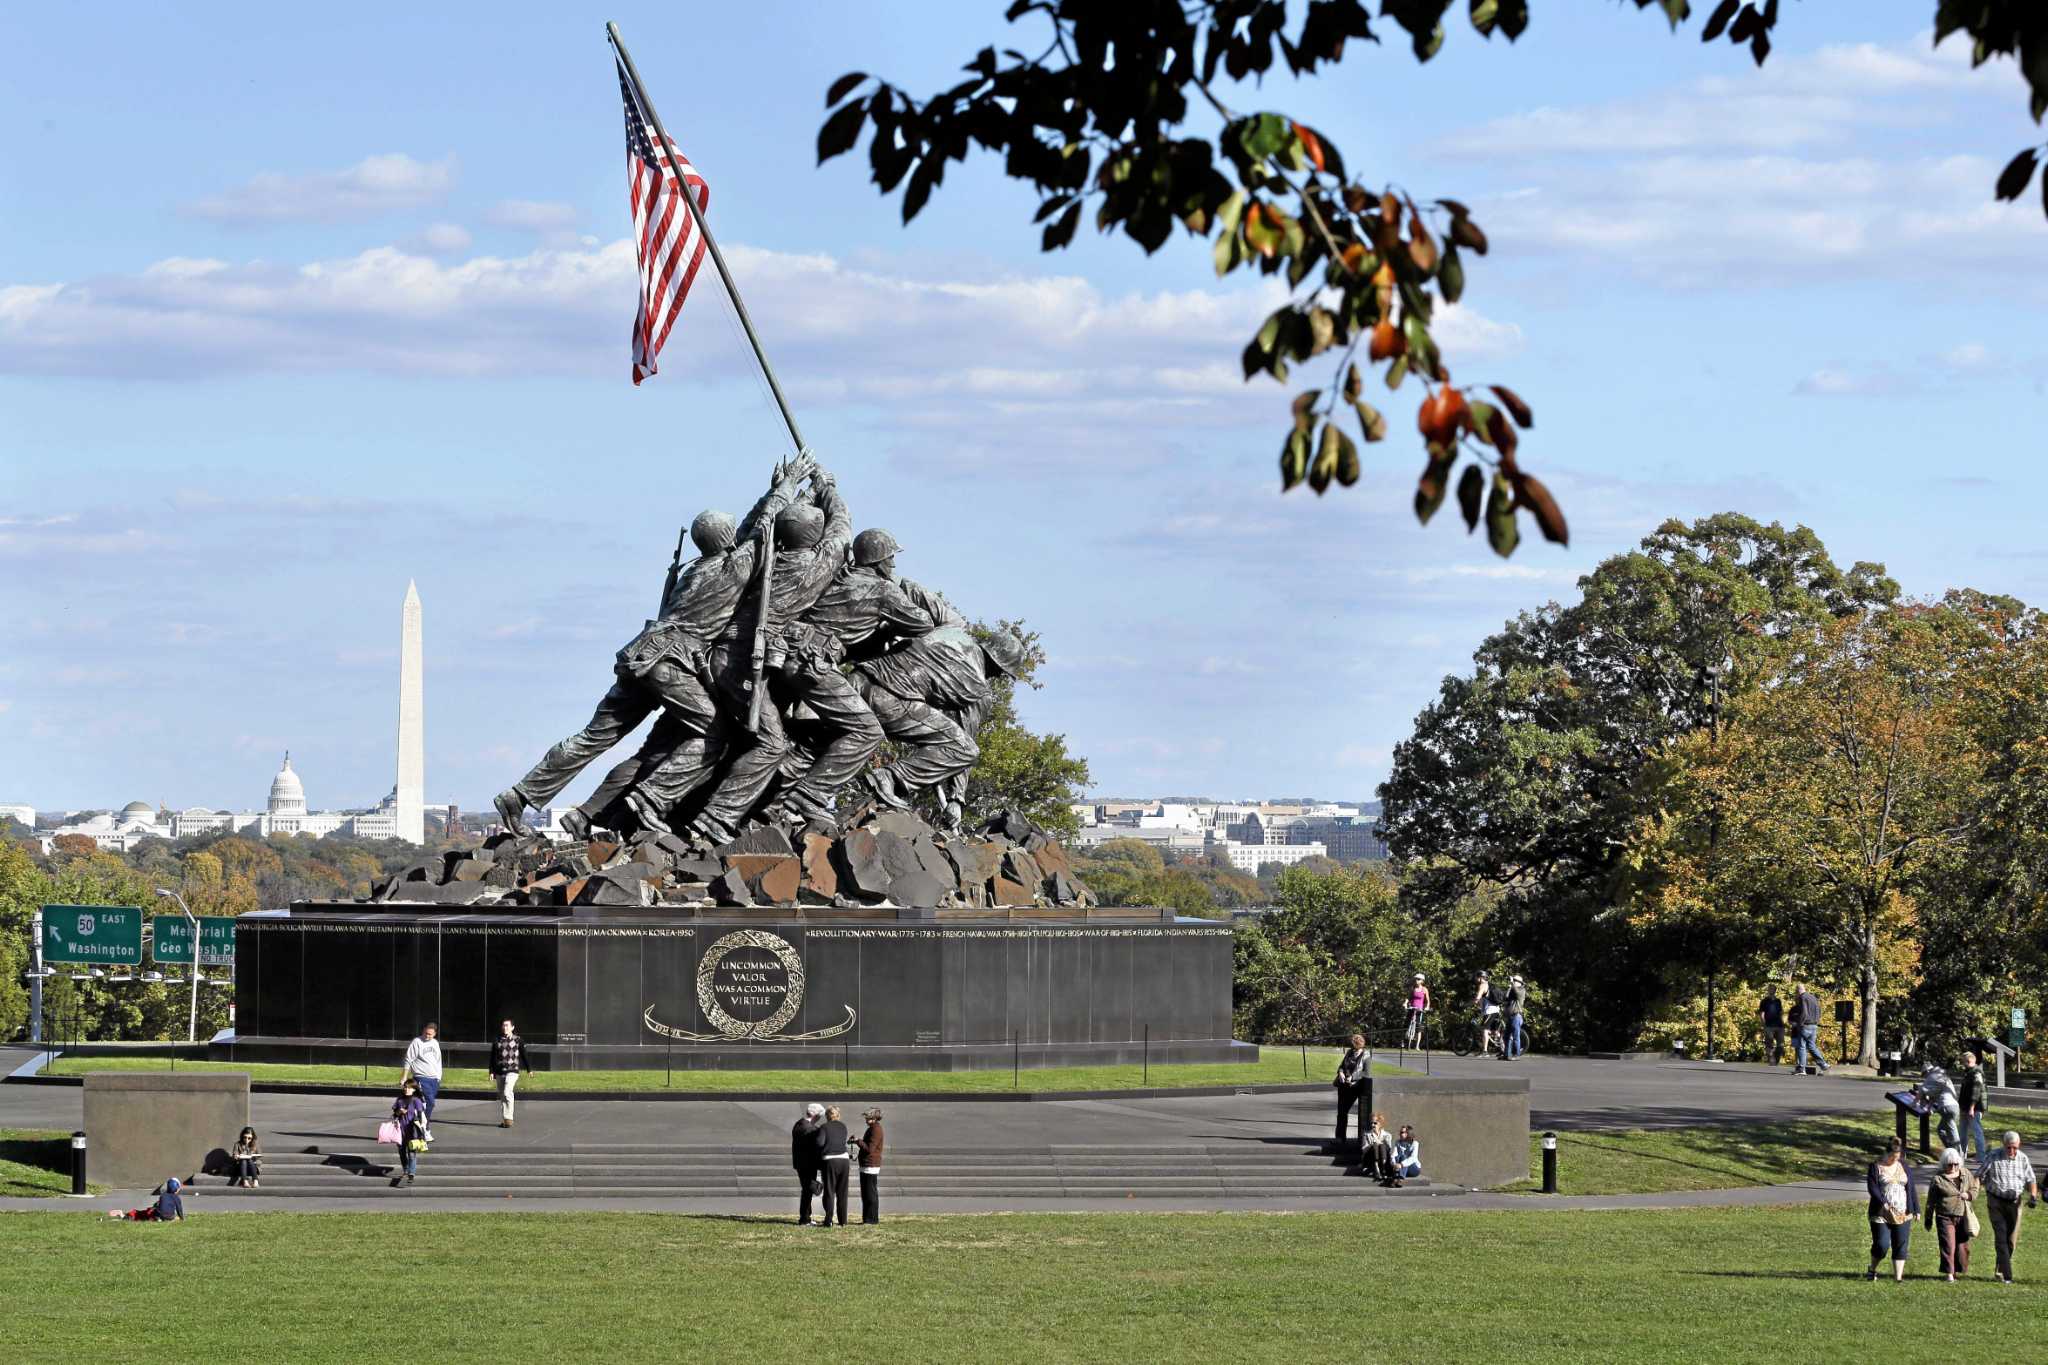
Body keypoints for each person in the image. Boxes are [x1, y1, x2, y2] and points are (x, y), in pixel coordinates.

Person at [1976, 1129, 2040, 1284]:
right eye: (2008, 1147)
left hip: (2015, 1203)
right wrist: (1973, 1192)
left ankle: (2000, 1269)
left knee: (2011, 1240)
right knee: (2001, 1236)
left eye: (2015, 1147)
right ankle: (2007, 1275)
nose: (2011, 1151)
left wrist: (2032, 1196)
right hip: (1996, 1201)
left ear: (2019, 1145)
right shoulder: (1993, 1157)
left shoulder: (2023, 1159)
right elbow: (1978, 1175)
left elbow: (2031, 1179)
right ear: (2003, 1145)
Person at [1923, 1147, 1979, 1281]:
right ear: (1944, 1164)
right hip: (1944, 1217)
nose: (1953, 1167)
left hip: (1963, 1216)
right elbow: (1931, 1201)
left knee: (1962, 1248)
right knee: (1948, 1245)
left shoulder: (1965, 1173)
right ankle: (1949, 1274)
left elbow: (1975, 1188)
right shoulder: (1938, 1179)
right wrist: (1928, 1218)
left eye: (1956, 1164)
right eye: (1950, 1164)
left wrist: (1969, 1195)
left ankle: (1956, 1271)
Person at [1866, 1136, 1918, 1281]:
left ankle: (1898, 1278)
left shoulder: (1904, 1166)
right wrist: (1883, 1202)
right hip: (1881, 1212)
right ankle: (1872, 1269)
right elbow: (1872, 1188)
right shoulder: (1875, 1167)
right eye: (1892, 1157)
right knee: (1882, 1244)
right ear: (1886, 1153)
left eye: (1897, 1157)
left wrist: (1916, 1209)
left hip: (1903, 1212)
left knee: (1901, 1244)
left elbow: (1911, 1188)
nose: (1894, 1160)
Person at [401, 1021, 442, 1140]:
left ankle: (417, 1126)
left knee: (425, 1105)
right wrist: (404, 1077)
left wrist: (438, 1077)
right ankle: (425, 1129)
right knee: (430, 1102)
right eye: (426, 1033)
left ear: (435, 1034)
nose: (427, 1036)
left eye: (430, 1034)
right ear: (423, 1030)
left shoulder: (435, 1043)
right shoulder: (417, 1042)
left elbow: (438, 1061)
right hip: (421, 1078)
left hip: (433, 1079)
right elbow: (408, 1060)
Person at [390, 1077, 429, 1188]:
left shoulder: (416, 1100)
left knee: (411, 1154)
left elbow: (421, 1115)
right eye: (406, 1087)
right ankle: (406, 1170)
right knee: (402, 1152)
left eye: (409, 1088)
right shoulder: (400, 1100)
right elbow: (394, 1114)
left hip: (412, 1131)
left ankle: (411, 1173)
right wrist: (399, 1112)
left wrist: (421, 1128)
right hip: (400, 1130)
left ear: (414, 1089)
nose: (407, 1089)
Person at [1332, 1034, 1370, 1147]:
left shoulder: (1366, 1055)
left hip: (1355, 1087)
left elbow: (1366, 1073)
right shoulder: (1349, 1052)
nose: (1353, 1047)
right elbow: (1342, 1066)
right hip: (1343, 1086)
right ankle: (1340, 1137)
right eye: (1352, 1045)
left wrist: (1352, 1077)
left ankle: (1362, 1139)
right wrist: (1340, 1073)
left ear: (1359, 1045)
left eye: (1355, 1045)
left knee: (1347, 1111)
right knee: (1341, 1113)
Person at [489, 1018, 528, 1129]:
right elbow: (492, 1057)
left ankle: (509, 1118)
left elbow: (524, 1055)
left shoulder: (518, 1040)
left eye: (507, 1025)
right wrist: (491, 1071)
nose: (504, 1028)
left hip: (513, 1071)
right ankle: (506, 1120)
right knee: (502, 1096)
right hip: (500, 1071)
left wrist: (529, 1069)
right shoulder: (497, 1040)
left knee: (507, 1092)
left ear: (512, 1027)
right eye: (503, 1026)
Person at [818, 1105, 853, 1227]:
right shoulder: (843, 1126)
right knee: (842, 1192)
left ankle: (828, 1221)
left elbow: (820, 1143)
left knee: (829, 1191)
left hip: (830, 1160)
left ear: (827, 1115)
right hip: (844, 1160)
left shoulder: (824, 1127)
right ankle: (843, 1221)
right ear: (838, 1115)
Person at [791, 1102, 825, 1226]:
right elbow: (816, 1146)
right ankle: (804, 1219)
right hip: (807, 1164)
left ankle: (806, 1217)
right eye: (820, 1116)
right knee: (808, 1190)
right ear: (816, 1115)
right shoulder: (809, 1128)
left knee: (807, 1190)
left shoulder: (798, 1124)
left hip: (800, 1163)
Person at [855, 1106, 885, 1225]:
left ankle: (871, 1219)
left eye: (868, 1118)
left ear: (874, 1118)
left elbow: (869, 1149)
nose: (866, 1120)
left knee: (870, 1193)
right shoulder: (873, 1128)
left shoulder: (876, 1129)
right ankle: (868, 1219)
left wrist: (858, 1141)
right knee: (867, 1193)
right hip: (867, 1165)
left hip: (870, 1165)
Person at [1792, 983, 1830, 1075]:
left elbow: (1804, 1012)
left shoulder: (1802, 997)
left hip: (1805, 1025)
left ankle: (1801, 1069)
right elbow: (1819, 1010)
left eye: (1796, 992)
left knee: (1802, 1046)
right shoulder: (1813, 997)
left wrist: (1800, 1024)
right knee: (1812, 1046)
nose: (1796, 994)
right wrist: (1816, 1021)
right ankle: (1823, 1064)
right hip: (1814, 1025)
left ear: (1798, 990)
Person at [1957, 1051, 1988, 1163]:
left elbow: (1976, 1091)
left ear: (1969, 1061)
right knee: (1962, 1132)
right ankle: (1961, 1156)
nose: (1962, 1063)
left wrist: (1972, 1107)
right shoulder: (1968, 1072)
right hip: (1965, 1107)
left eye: (1963, 1061)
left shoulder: (1976, 1073)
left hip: (1974, 1108)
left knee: (1977, 1132)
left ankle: (1981, 1156)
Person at [108, 1176, 184, 1222]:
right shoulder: (176, 1198)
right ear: (177, 1188)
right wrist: (182, 1218)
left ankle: (124, 1216)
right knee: (144, 1217)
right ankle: (122, 1215)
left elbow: (160, 1207)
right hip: (166, 1216)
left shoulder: (163, 1195)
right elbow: (179, 1209)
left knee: (142, 1215)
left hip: (158, 1215)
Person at [1357, 1113, 1395, 1184]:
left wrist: (1380, 1143)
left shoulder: (1387, 1135)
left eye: (1375, 1123)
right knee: (1375, 1144)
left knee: (1382, 1145)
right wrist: (1372, 1144)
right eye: (1371, 1123)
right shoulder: (1366, 1134)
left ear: (1380, 1124)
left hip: (1383, 1158)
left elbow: (1389, 1148)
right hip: (1370, 1158)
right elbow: (1364, 1149)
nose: (1372, 1125)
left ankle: (1383, 1167)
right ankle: (1377, 1166)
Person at [1757, 988, 1785, 1067]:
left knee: (1781, 1045)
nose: (1771, 991)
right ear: (1768, 991)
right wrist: (1764, 1025)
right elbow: (1762, 1014)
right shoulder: (1764, 1001)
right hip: (1769, 1025)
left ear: (1775, 991)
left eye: (1773, 989)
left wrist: (1783, 1023)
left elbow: (1781, 1013)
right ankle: (1772, 1059)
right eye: (1770, 989)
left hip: (1779, 1025)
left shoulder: (1778, 1001)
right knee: (1769, 1044)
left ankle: (1776, 1060)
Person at [1503, 975, 1527, 1060]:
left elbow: (1517, 993)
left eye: (1515, 980)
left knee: (1516, 1036)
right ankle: (1507, 1055)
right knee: (1506, 1036)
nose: (1513, 981)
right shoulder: (1513, 990)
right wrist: (1509, 988)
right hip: (1510, 1016)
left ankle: (1517, 1055)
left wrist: (1512, 983)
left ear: (1519, 983)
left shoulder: (1522, 990)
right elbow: (1505, 998)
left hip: (1516, 1016)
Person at [1404, 975, 1430, 1047]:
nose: (1416, 980)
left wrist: (1427, 1007)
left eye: (1418, 979)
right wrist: (1405, 1003)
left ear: (1422, 981)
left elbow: (1428, 1001)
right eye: (1416, 979)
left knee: (1419, 1028)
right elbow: (1408, 997)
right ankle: (1403, 1041)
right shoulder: (1412, 988)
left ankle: (1417, 1046)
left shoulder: (1424, 989)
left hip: (1419, 1010)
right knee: (1406, 1024)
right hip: (1412, 1008)